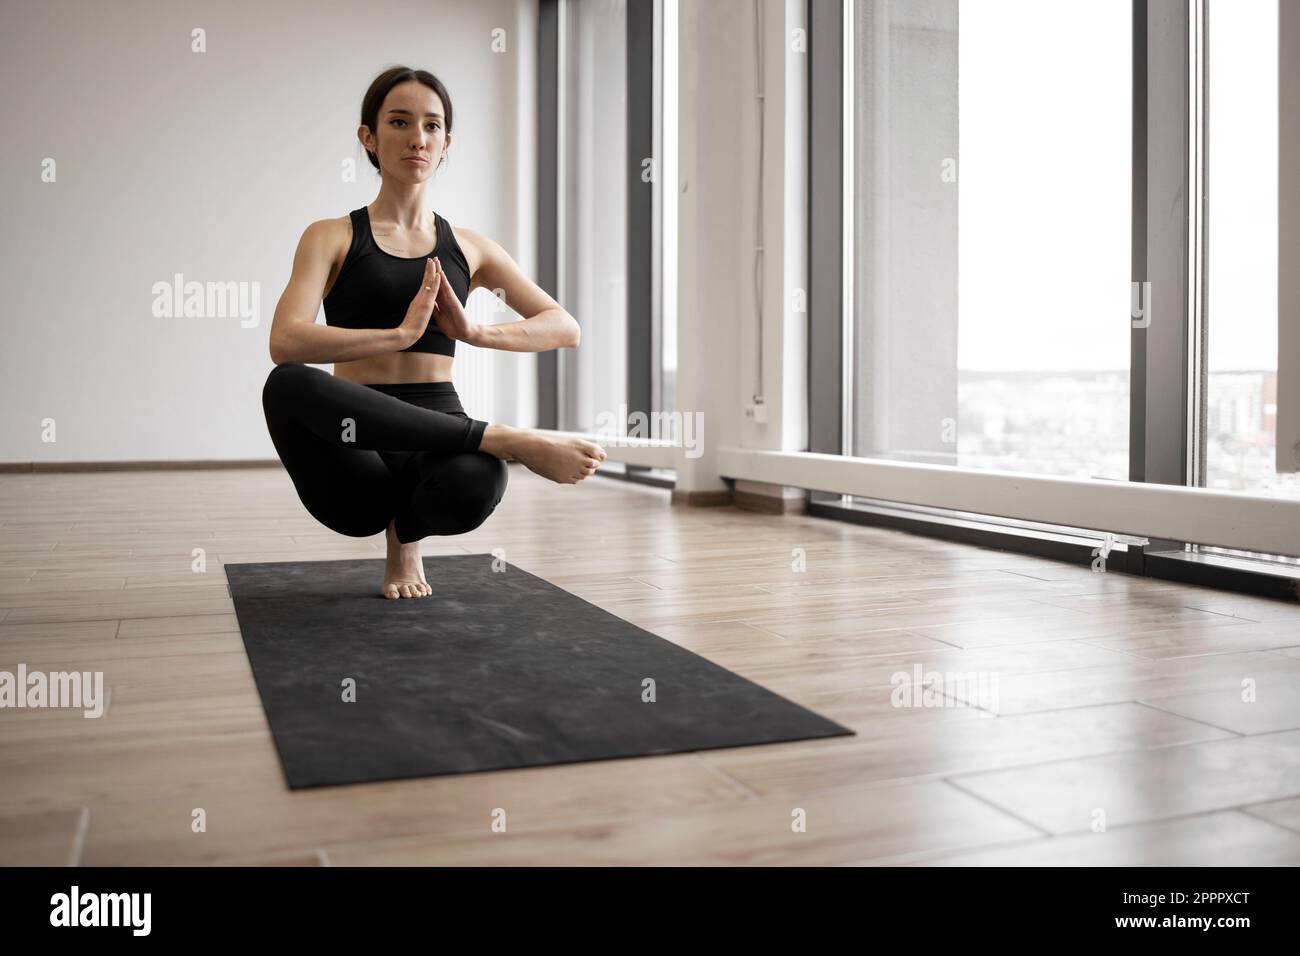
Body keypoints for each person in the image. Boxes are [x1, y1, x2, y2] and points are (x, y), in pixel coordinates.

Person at [263, 66, 606, 601]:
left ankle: (409, 534)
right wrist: (397, 335)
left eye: (432, 125)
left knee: (479, 483)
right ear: (369, 138)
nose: (417, 138)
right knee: (286, 385)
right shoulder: (330, 236)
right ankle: (504, 438)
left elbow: (564, 327)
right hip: (356, 432)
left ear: (446, 143)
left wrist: (473, 331)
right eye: (399, 122)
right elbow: (285, 341)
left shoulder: (470, 247)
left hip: (439, 424)